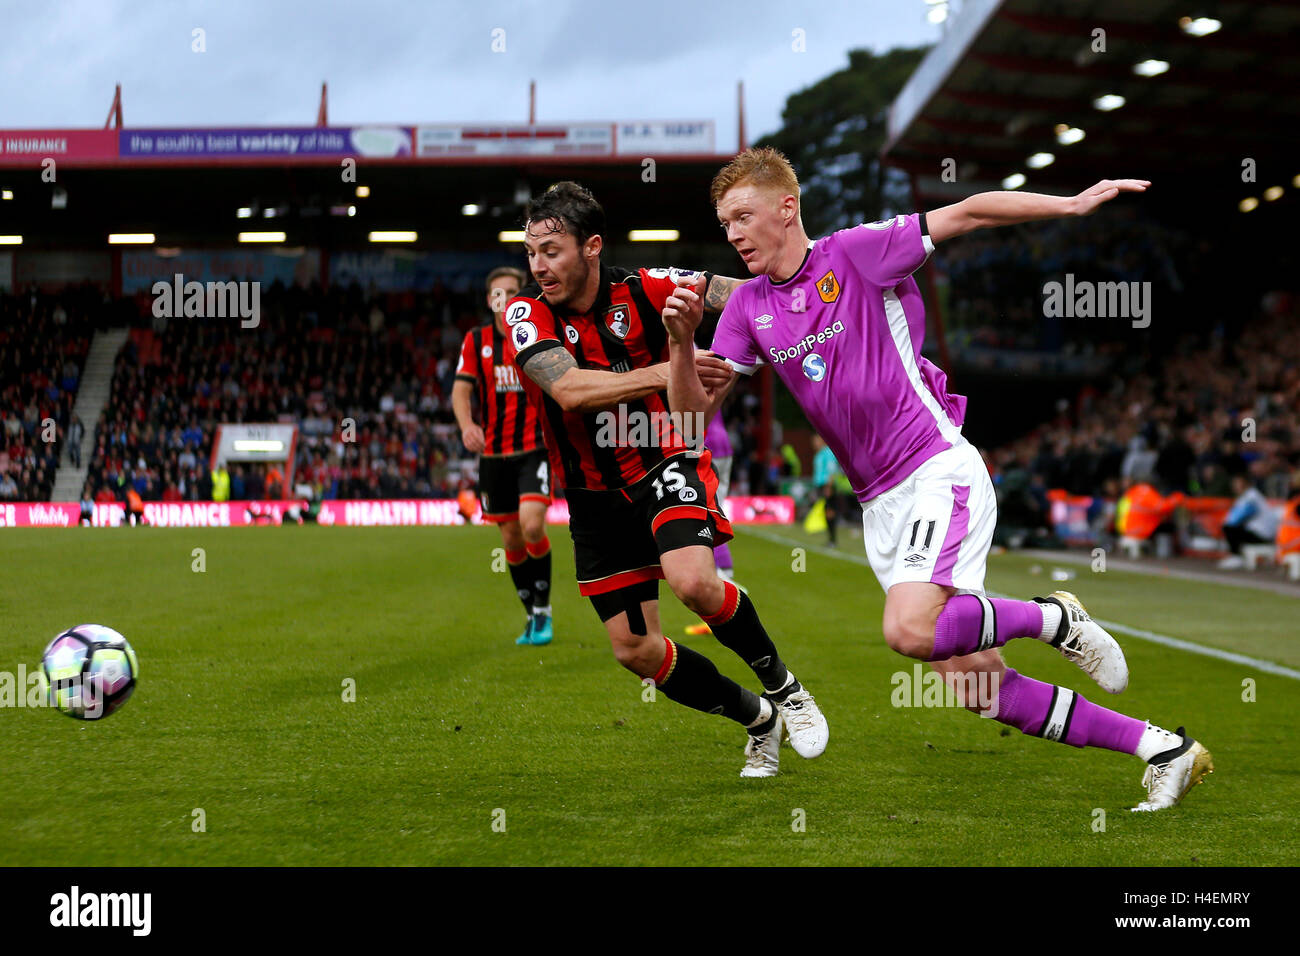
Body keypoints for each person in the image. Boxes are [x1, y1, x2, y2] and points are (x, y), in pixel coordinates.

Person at [666, 147, 1211, 810]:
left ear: (787, 207)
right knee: (979, 687)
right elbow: (693, 416)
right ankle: (1165, 750)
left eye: (743, 216)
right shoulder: (749, 307)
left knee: (907, 631)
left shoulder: (858, 252)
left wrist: (1068, 204)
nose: (733, 234)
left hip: (933, 468)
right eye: (724, 223)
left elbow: (970, 213)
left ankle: (1054, 619)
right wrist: (679, 345)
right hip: (880, 507)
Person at [506, 181, 828, 777]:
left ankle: (785, 688)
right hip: (593, 498)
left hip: (664, 460)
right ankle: (759, 719)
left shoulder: (648, 287)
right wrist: (664, 369)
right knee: (636, 650)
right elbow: (569, 390)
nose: (539, 265)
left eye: (551, 250)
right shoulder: (526, 313)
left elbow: (740, 294)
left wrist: (815, 289)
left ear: (592, 246)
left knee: (695, 584)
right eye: (531, 252)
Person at [453, 266, 556, 647]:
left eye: (512, 292)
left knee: (532, 526)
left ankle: (543, 611)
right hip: (494, 455)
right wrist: (467, 425)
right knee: (511, 539)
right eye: (498, 293)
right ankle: (531, 613)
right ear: (489, 299)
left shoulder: (536, 333)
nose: (505, 299)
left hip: (534, 448)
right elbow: (460, 391)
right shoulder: (475, 340)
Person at [1217, 473, 1279, 569]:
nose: (1235, 486)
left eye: (1237, 483)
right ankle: (1236, 556)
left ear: (1246, 484)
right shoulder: (1247, 496)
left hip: (1263, 535)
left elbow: (1235, 519)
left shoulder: (1251, 496)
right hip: (1259, 532)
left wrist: (1224, 522)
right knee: (1231, 528)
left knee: (1229, 528)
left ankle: (1236, 557)